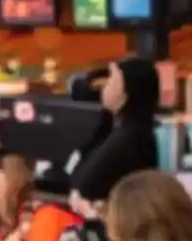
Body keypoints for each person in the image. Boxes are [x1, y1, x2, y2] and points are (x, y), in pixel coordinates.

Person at [69, 58, 160, 214]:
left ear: (125, 94)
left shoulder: (131, 138)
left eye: (111, 80)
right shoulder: (119, 128)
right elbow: (82, 89)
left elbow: (83, 185)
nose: (105, 86)